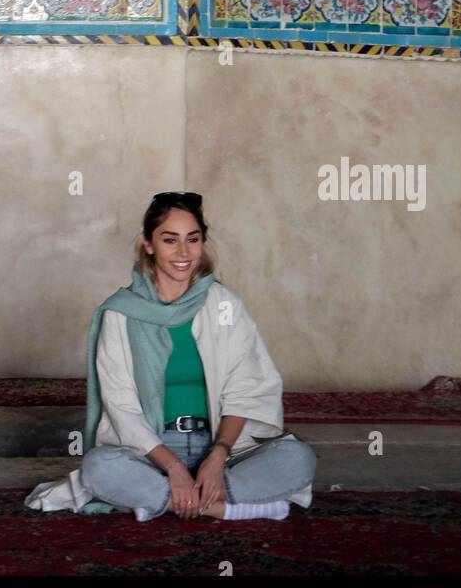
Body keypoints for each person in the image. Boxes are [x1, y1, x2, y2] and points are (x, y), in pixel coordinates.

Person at [25, 191, 316, 521]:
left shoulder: (223, 305)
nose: (183, 252)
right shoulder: (120, 314)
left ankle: (162, 500)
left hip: (221, 443)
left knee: (298, 458)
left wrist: (218, 456)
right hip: (154, 448)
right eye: (169, 240)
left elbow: (245, 390)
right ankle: (225, 507)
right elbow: (121, 407)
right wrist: (175, 468)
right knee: (98, 467)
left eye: (193, 240)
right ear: (148, 244)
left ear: (203, 243)